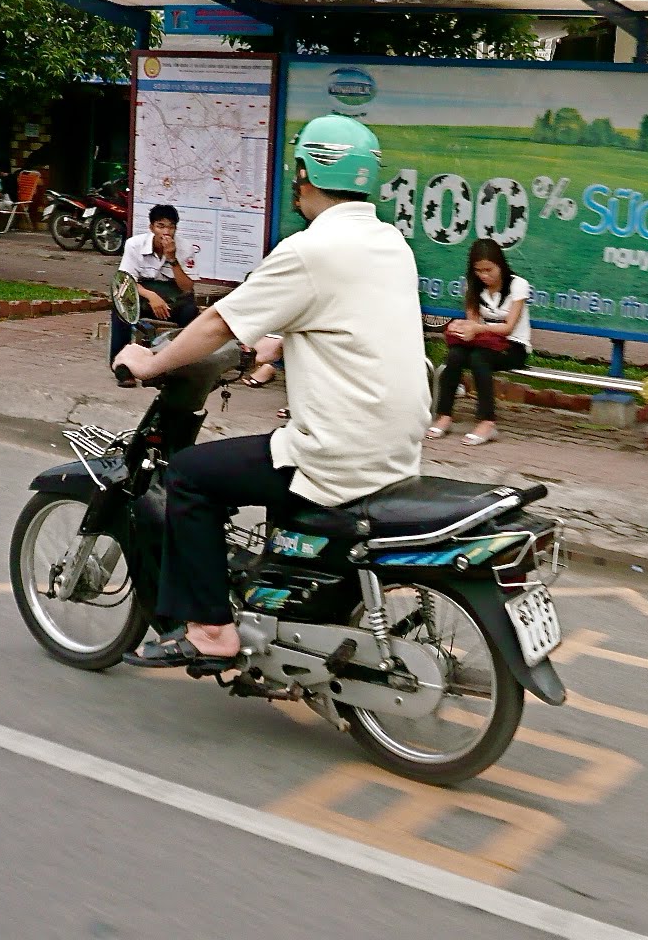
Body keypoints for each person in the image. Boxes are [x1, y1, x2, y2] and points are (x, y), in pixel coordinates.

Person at [110, 115, 429, 668]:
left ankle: (211, 629)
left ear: (303, 173)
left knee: (189, 476)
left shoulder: (310, 249)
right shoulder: (390, 242)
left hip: (337, 450)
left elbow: (216, 324)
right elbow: (347, 319)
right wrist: (274, 347)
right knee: (256, 460)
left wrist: (150, 362)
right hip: (397, 443)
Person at [425, 238, 530, 447]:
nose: (484, 275)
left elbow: (508, 327)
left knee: (478, 359)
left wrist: (478, 328)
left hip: (513, 347)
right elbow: (473, 324)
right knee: (455, 354)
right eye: (479, 271)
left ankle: (487, 422)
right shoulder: (473, 287)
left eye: (489, 270)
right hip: (486, 344)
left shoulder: (518, 285)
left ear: (500, 264)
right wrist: (461, 328)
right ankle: (445, 415)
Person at [110, 204, 199, 365]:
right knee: (120, 306)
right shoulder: (134, 244)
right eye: (161, 226)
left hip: (173, 297)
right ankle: (120, 364)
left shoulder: (185, 247)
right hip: (143, 294)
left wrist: (172, 259)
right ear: (151, 227)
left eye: (171, 227)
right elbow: (126, 280)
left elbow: (187, 287)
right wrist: (151, 296)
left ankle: (184, 363)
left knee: (190, 311)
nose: (166, 232)